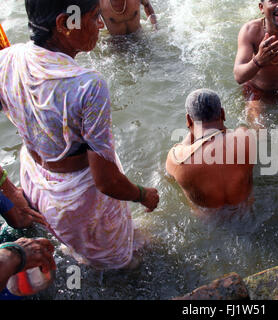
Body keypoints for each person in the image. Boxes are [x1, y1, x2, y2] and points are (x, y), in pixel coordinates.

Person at [0, 0, 159, 270]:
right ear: (64, 24)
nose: (100, 24)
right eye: (94, 16)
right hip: (80, 202)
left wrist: (7, 187)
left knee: (80, 249)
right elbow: (106, 181)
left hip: (36, 182)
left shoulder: (7, 59)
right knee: (125, 265)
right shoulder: (88, 85)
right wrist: (143, 195)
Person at [166, 89, 255, 219]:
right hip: (245, 213)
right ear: (223, 113)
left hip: (209, 222)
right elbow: (234, 131)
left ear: (188, 120)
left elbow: (168, 175)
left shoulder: (178, 159)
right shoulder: (246, 138)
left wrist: (194, 132)